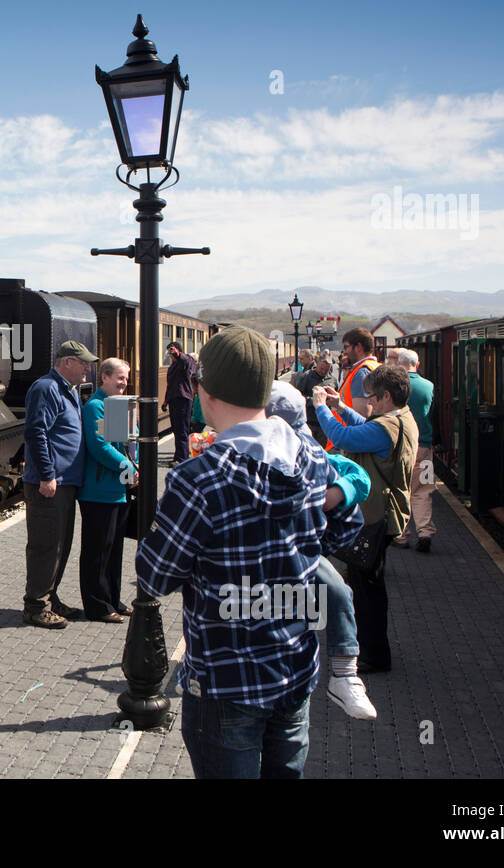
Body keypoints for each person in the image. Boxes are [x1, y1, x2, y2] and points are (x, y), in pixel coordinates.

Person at [136, 328, 363, 778]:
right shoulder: (313, 458)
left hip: (225, 683)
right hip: (295, 673)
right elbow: (342, 535)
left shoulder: (197, 479)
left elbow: (155, 576)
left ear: (204, 391)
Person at [266, 382, 377, 720]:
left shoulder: (310, 453)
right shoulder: (240, 451)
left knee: (340, 593)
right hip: (258, 557)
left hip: (297, 553)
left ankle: (344, 674)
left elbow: (359, 477)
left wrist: (338, 492)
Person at [313, 365, 418, 673]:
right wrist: (341, 407)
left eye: (373, 397)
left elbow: (343, 435)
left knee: (367, 590)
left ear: (386, 395)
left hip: (374, 516)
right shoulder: (400, 418)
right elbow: (365, 427)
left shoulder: (385, 426)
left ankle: (374, 654)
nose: (370, 402)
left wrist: (321, 408)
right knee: (368, 585)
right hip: (384, 514)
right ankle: (372, 650)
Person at [22, 340, 98, 629]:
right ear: (67, 362)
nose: (88, 368)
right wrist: (46, 474)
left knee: (61, 545)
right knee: (46, 545)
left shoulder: (69, 390)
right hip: (50, 482)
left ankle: (50, 598)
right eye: (84, 363)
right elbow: (36, 432)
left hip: (65, 482)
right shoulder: (46, 388)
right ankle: (35, 606)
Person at [78, 358, 138, 623]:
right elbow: (101, 447)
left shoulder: (116, 404)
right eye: (119, 378)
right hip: (99, 490)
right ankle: (97, 606)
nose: (124, 383)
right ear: (104, 377)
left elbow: (127, 443)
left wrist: (134, 466)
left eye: (126, 379)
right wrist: (129, 468)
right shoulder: (95, 407)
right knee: (97, 551)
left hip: (118, 489)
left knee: (113, 549)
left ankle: (113, 599)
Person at [393, 348, 435, 553]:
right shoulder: (429, 386)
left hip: (400, 447)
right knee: (423, 490)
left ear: (399, 364)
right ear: (417, 365)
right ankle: (425, 531)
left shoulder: (393, 387)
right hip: (425, 447)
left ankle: (401, 534)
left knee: (401, 489)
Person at [324, 328, 379, 451]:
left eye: (347, 347)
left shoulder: (361, 373)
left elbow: (363, 414)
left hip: (347, 442)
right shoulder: (375, 367)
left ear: (358, 347)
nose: (345, 351)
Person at [161, 342, 198, 463]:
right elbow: (170, 385)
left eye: (170, 352)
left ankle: (182, 458)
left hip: (183, 399)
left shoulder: (186, 362)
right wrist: (166, 401)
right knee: (177, 430)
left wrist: (177, 353)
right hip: (174, 399)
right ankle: (179, 456)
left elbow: (186, 361)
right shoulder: (173, 366)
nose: (169, 355)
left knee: (182, 430)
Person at [297, 353, 338, 444]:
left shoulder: (333, 380)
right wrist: (313, 400)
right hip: (309, 422)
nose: (323, 372)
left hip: (324, 424)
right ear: (316, 364)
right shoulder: (307, 377)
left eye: (327, 369)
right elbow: (298, 397)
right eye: (321, 369)